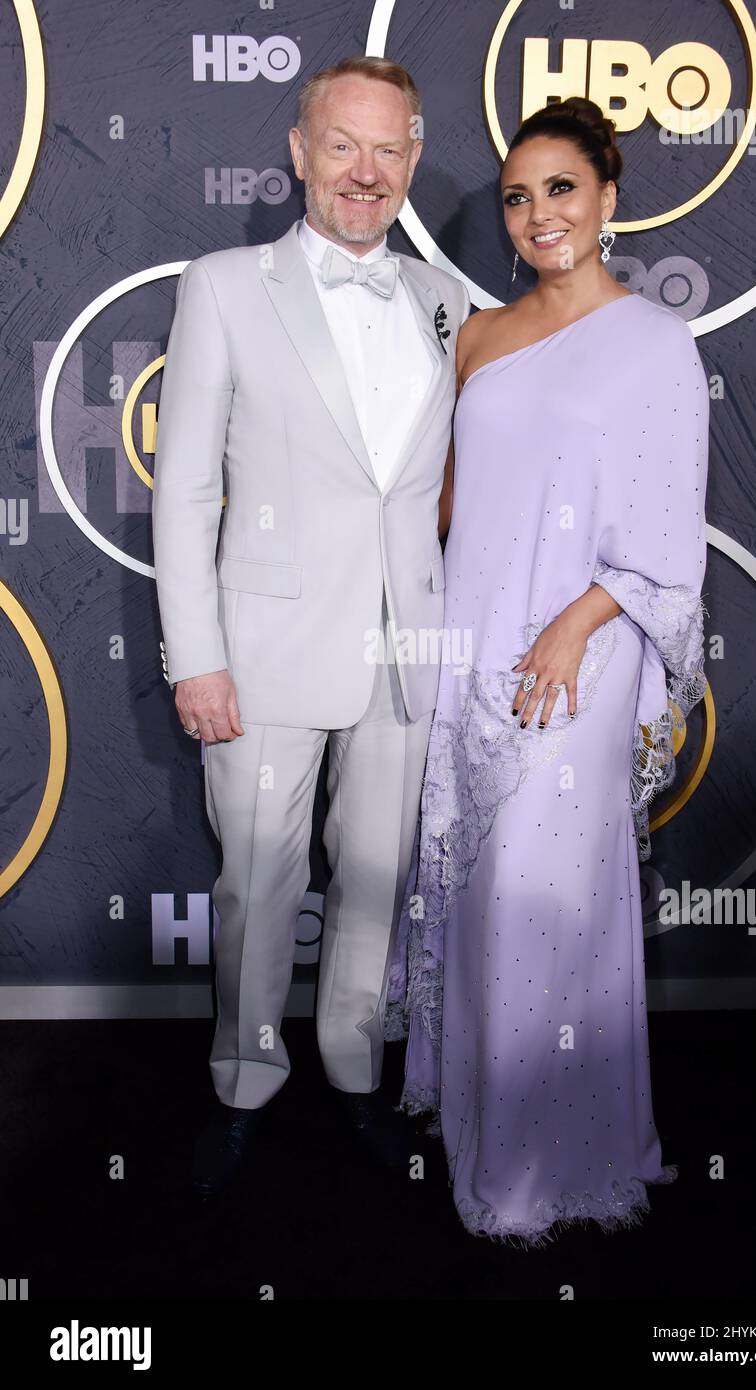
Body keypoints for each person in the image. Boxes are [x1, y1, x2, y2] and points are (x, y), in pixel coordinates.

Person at [385, 96, 710, 1246]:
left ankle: (533, 1168)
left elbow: (668, 533)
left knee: (542, 896)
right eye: (519, 197)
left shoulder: (655, 342)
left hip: (580, 647)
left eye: (560, 188)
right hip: (473, 644)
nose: (538, 214)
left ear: (609, 198)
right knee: (480, 896)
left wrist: (576, 624)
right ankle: (492, 1122)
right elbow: (446, 512)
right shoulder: (477, 336)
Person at [151, 56, 470, 1196]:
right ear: (299, 151)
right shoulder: (226, 285)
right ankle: (244, 1081)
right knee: (256, 889)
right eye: (343, 145)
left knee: (378, 882)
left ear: (415, 158)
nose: (366, 171)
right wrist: (199, 658)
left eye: (389, 149)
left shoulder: (448, 300)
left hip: (405, 654)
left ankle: (353, 1073)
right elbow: (185, 487)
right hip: (265, 653)